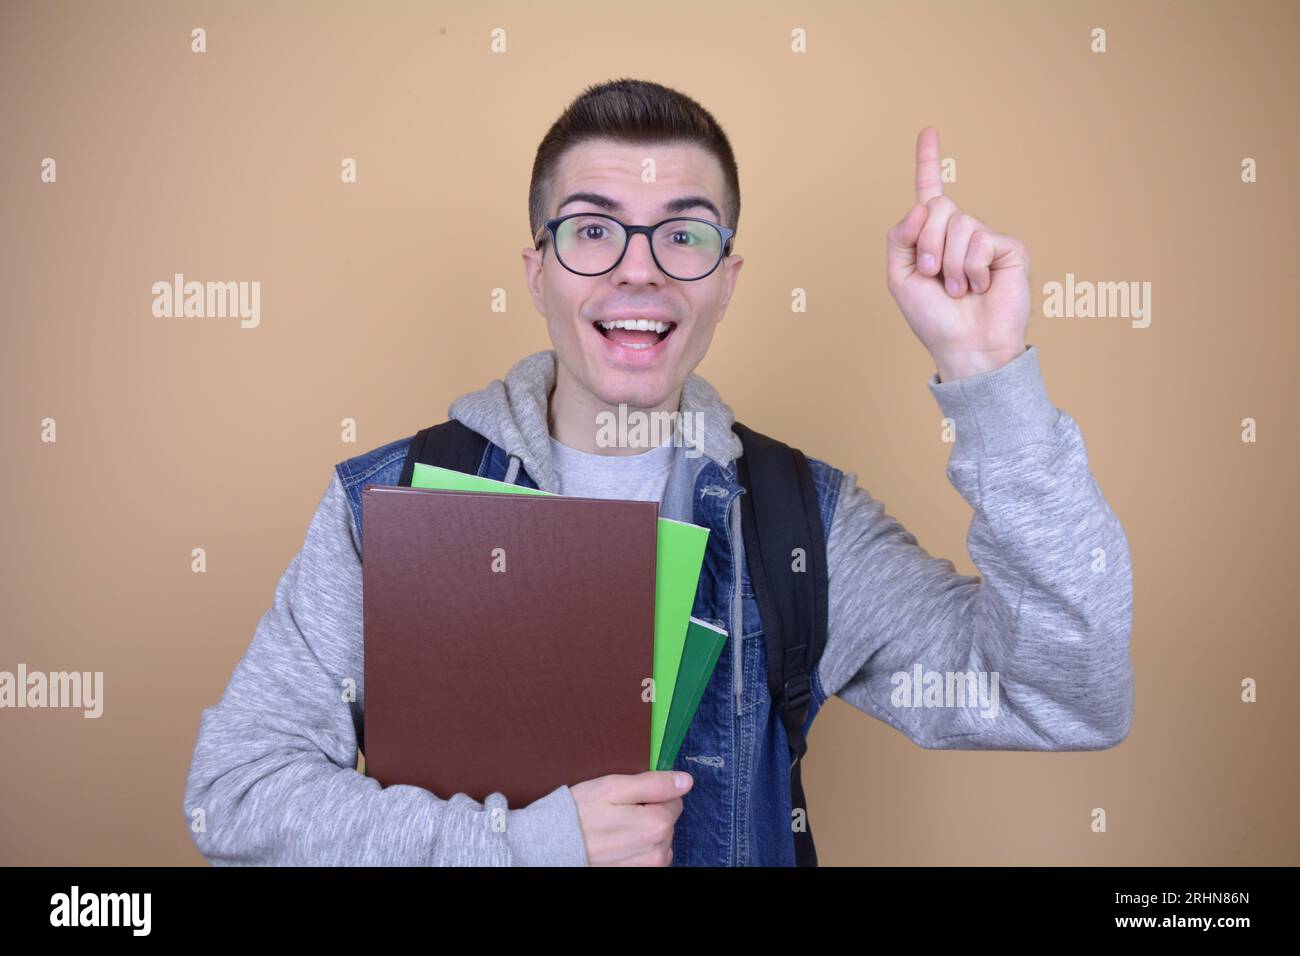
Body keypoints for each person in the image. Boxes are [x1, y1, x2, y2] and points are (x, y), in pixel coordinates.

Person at [183, 78, 1133, 867]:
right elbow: (235, 794)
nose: (639, 270)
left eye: (684, 235)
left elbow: (1064, 698)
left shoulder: (803, 525)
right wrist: (526, 845)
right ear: (537, 271)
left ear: (727, 280)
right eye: (593, 230)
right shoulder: (388, 504)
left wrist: (988, 377)